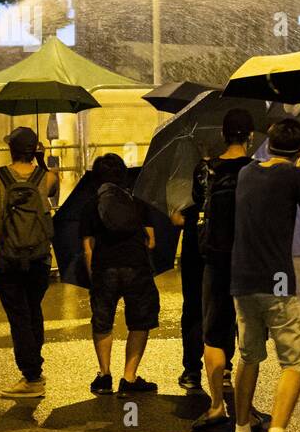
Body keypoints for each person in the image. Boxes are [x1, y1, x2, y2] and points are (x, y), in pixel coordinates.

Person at [229, 118, 300, 432]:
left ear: (268, 144)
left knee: (248, 355)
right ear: (299, 151)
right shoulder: (294, 175)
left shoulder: (246, 174)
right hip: (277, 280)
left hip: (242, 278)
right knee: (292, 361)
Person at [0, 127, 59, 400]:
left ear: (11, 149)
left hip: (7, 257)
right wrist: (42, 160)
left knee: (19, 316)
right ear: (34, 151)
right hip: (39, 257)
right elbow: (55, 189)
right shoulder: (46, 177)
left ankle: (32, 377)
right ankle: (35, 365)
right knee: (33, 308)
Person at [190, 109, 256, 432]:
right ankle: (247, 411)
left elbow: (197, 206)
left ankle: (217, 406)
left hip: (215, 261)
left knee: (213, 335)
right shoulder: (257, 172)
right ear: (250, 136)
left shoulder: (205, 170)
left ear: (224, 135)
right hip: (249, 264)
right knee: (249, 339)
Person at [81, 152, 160, 395]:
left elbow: (88, 248)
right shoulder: (136, 200)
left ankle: (104, 376)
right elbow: (152, 242)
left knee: (103, 322)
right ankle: (129, 377)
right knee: (139, 321)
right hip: (136, 266)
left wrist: (93, 276)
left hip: (105, 268)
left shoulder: (90, 204)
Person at [174, 143, 212, 396]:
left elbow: (175, 218)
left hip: (193, 255)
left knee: (193, 311)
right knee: (222, 310)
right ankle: (225, 369)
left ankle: (192, 370)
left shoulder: (183, 178)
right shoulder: (234, 176)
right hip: (220, 255)